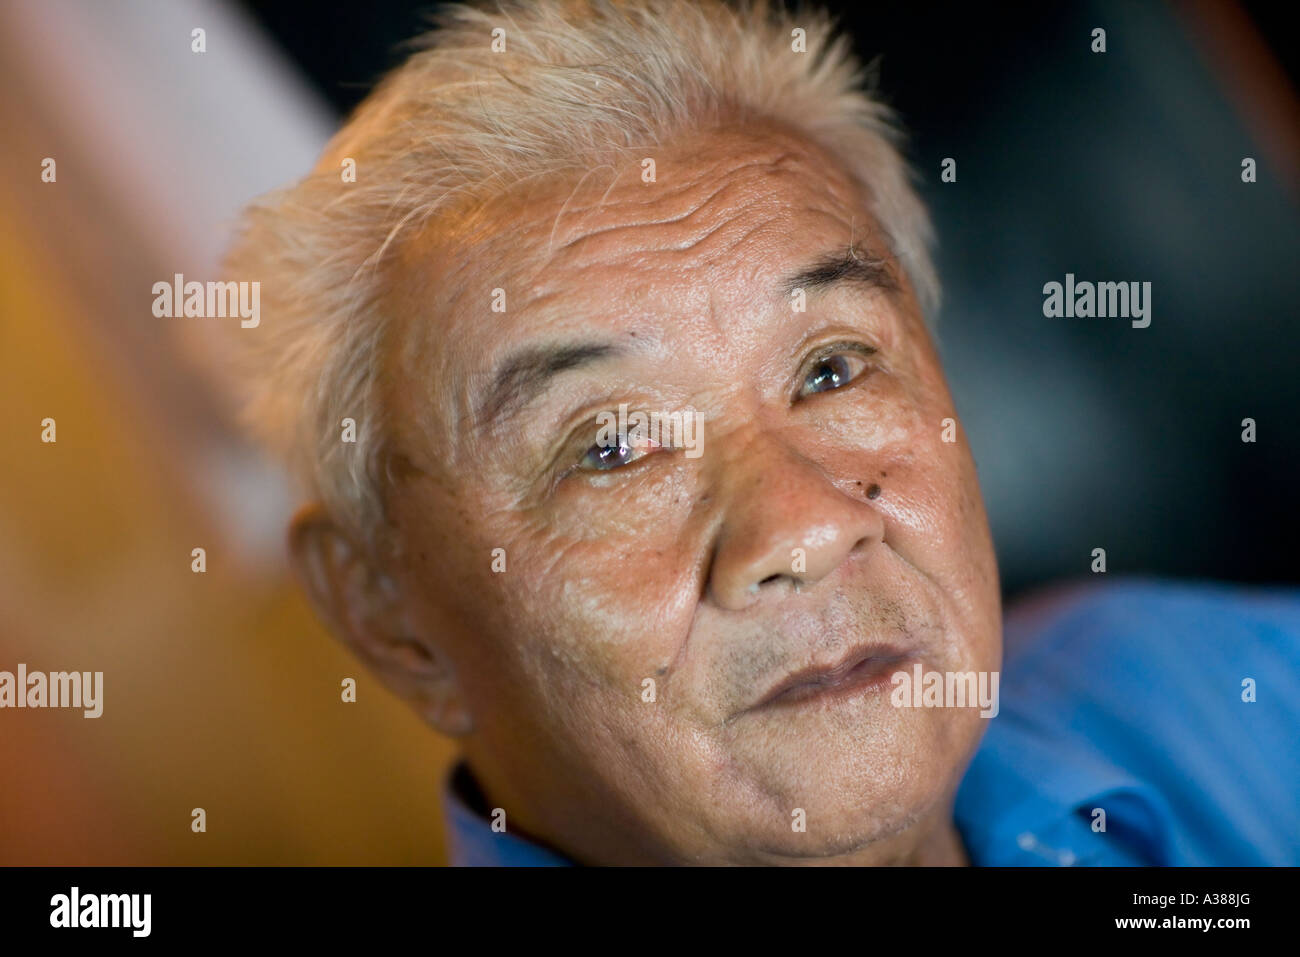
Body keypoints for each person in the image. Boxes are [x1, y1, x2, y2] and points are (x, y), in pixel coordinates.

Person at [223, 0, 1299, 865]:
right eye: (609, 448)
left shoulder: (1205, 682)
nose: (803, 529)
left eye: (829, 369)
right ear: (388, 613)